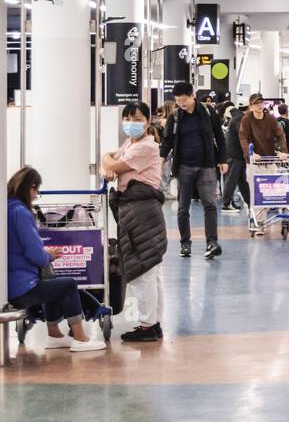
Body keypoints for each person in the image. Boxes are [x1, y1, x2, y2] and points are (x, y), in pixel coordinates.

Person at [6, 166, 106, 352]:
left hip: (10, 284)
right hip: (21, 288)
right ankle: (81, 338)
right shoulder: (21, 213)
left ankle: (54, 335)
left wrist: (42, 252)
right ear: (30, 187)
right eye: (36, 191)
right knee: (68, 285)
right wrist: (48, 254)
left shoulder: (7, 209)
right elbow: (35, 255)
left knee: (52, 282)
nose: (36, 196)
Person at [101, 102, 168, 343]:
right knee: (151, 268)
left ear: (148, 121)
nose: (131, 122)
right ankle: (154, 322)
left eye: (137, 118)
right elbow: (110, 158)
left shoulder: (147, 147)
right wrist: (107, 161)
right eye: (128, 118)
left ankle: (147, 325)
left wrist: (106, 163)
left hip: (141, 210)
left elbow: (113, 164)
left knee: (143, 269)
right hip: (135, 209)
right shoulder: (131, 143)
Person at [159, 80, 228, 260]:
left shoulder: (207, 111)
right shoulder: (175, 117)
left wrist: (222, 159)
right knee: (183, 208)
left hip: (207, 166)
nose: (181, 103)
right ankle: (185, 243)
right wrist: (159, 162)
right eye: (178, 100)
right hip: (184, 168)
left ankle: (212, 242)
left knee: (210, 205)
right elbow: (166, 142)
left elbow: (220, 136)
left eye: (184, 99)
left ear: (192, 96)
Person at [240, 94, 288, 234]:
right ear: (250, 106)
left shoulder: (271, 119)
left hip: (270, 159)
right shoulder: (246, 120)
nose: (259, 106)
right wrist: (250, 153)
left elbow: (280, 135)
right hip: (254, 162)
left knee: (269, 192)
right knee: (256, 193)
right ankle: (259, 222)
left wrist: (284, 151)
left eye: (261, 103)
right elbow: (243, 137)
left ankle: (262, 218)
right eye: (256, 104)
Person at [221, 102, 251, 215]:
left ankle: (250, 203)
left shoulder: (237, 118)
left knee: (241, 180)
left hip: (237, 155)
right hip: (235, 155)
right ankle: (226, 203)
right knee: (232, 179)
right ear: (248, 108)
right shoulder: (240, 119)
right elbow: (242, 135)